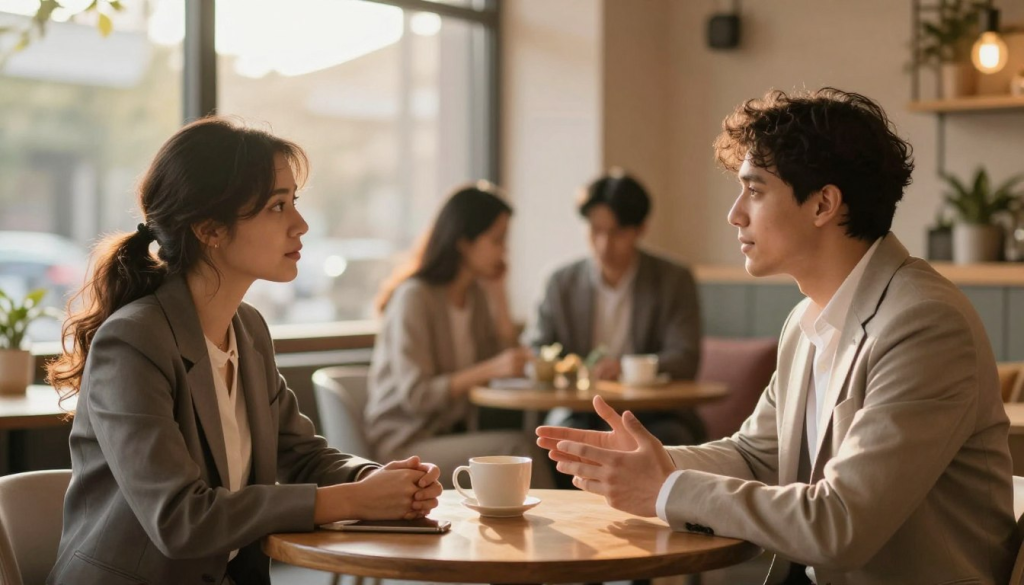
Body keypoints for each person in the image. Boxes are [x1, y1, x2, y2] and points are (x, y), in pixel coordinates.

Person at [537, 88, 1017, 584]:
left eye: (756, 190)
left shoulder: (924, 324)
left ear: (823, 204)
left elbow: (840, 525)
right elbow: (755, 455)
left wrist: (666, 487)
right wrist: (645, 464)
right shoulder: (805, 321)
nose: (735, 213)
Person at [45, 117, 442, 585]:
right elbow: (180, 518)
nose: (301, 224)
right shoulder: (133, 341)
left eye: (294, 202)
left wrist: (376, 480)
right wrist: (353, 502)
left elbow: (301, 454)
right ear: (210, 229)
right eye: (278, 207)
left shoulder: (248, 330)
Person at [366, 183, 553, 489]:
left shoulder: (476, 297)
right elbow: (418, 396)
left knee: (533, 440)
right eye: (497, 240)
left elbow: (505, 366)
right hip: (405, 444)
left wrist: (499, 297)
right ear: (464, 242)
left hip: (452, 434)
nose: (504, 251)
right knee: (520, 449)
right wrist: (493, 367)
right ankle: (552, 533)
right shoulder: (415, 297)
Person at [529, 170, 703, 447]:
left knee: (671, 439)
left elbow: (684, 358)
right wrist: (569, 371)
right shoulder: (561, 283)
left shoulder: (672, 280)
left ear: (640, 229)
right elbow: (537, 350)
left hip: (654, 414)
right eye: (595, 230)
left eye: (617, 232)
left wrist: (624, 368)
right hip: (580, 410)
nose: (604, 245)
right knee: (556, 439)